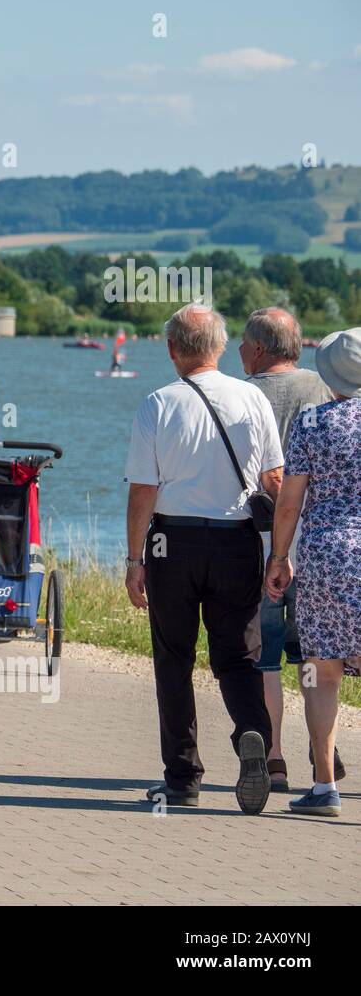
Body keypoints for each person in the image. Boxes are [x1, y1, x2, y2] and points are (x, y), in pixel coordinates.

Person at [124, 303, 280, 815]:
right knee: (237, 657)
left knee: (174, 659)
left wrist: (133, 559)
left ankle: (183, 778)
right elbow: (274, 481)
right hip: (237, 541)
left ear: (172, 349)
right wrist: (281, 551)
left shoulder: (157, 403)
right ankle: (253, 736)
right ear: (219, 346)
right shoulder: (252, 398)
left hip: (173, 543)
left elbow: (143, 490)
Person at [265, 327, 361, 817]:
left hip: (327, 558)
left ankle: (325, 787)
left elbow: (289, 504)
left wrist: (280, 559)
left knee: (323, 676)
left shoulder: (313, 423)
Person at [238, 307, 334, 792]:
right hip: (318, 541)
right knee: (316, 655)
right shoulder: (323, 389)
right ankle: (323, 745)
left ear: (257, 349)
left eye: (242, 344)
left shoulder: (241, 394)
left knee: (266, 655)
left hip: (258, 540)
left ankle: (274, 755)